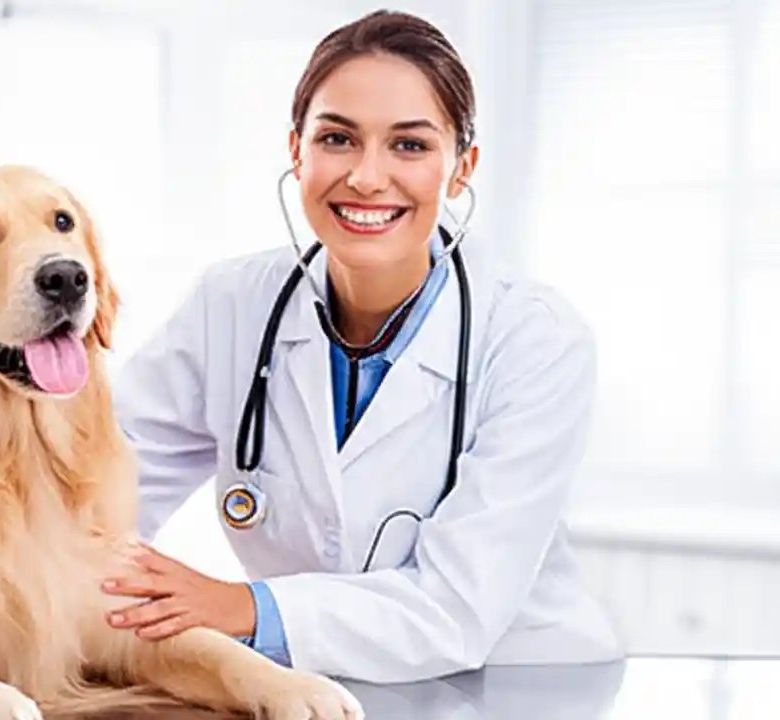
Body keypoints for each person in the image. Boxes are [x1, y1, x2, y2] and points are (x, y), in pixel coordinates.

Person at [101, 9, 624, 684]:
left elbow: (456, 609)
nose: (368, 178)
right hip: (319, 681)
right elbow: (94, 487)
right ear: (297, 151)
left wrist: (238, 606)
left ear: (461, 168)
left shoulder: (536, 340)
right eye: (338, 139)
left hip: (518, 683)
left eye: (409, 145)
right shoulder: (230, 305)